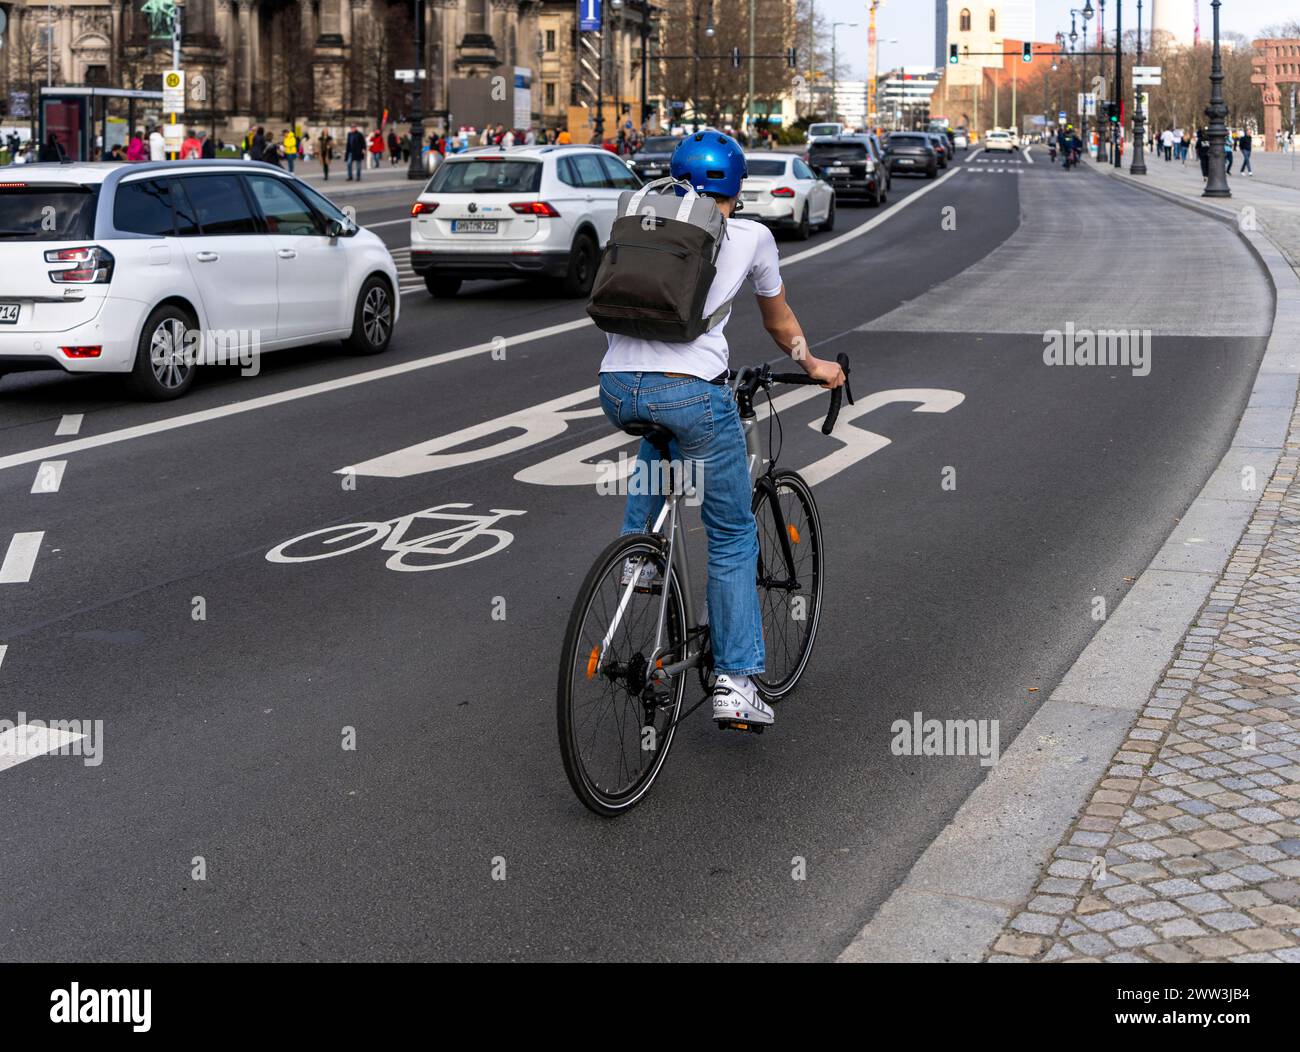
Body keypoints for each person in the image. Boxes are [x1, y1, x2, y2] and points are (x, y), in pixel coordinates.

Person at [597, 130, 845, 730]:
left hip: (616, 388)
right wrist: (814, 364)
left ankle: (639, 555)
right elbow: (779, 321)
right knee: (732, 534)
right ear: (736, 187)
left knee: (659, 428)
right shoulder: (751, 235)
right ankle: (737, 681)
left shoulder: (637, 221)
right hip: (693, 393)